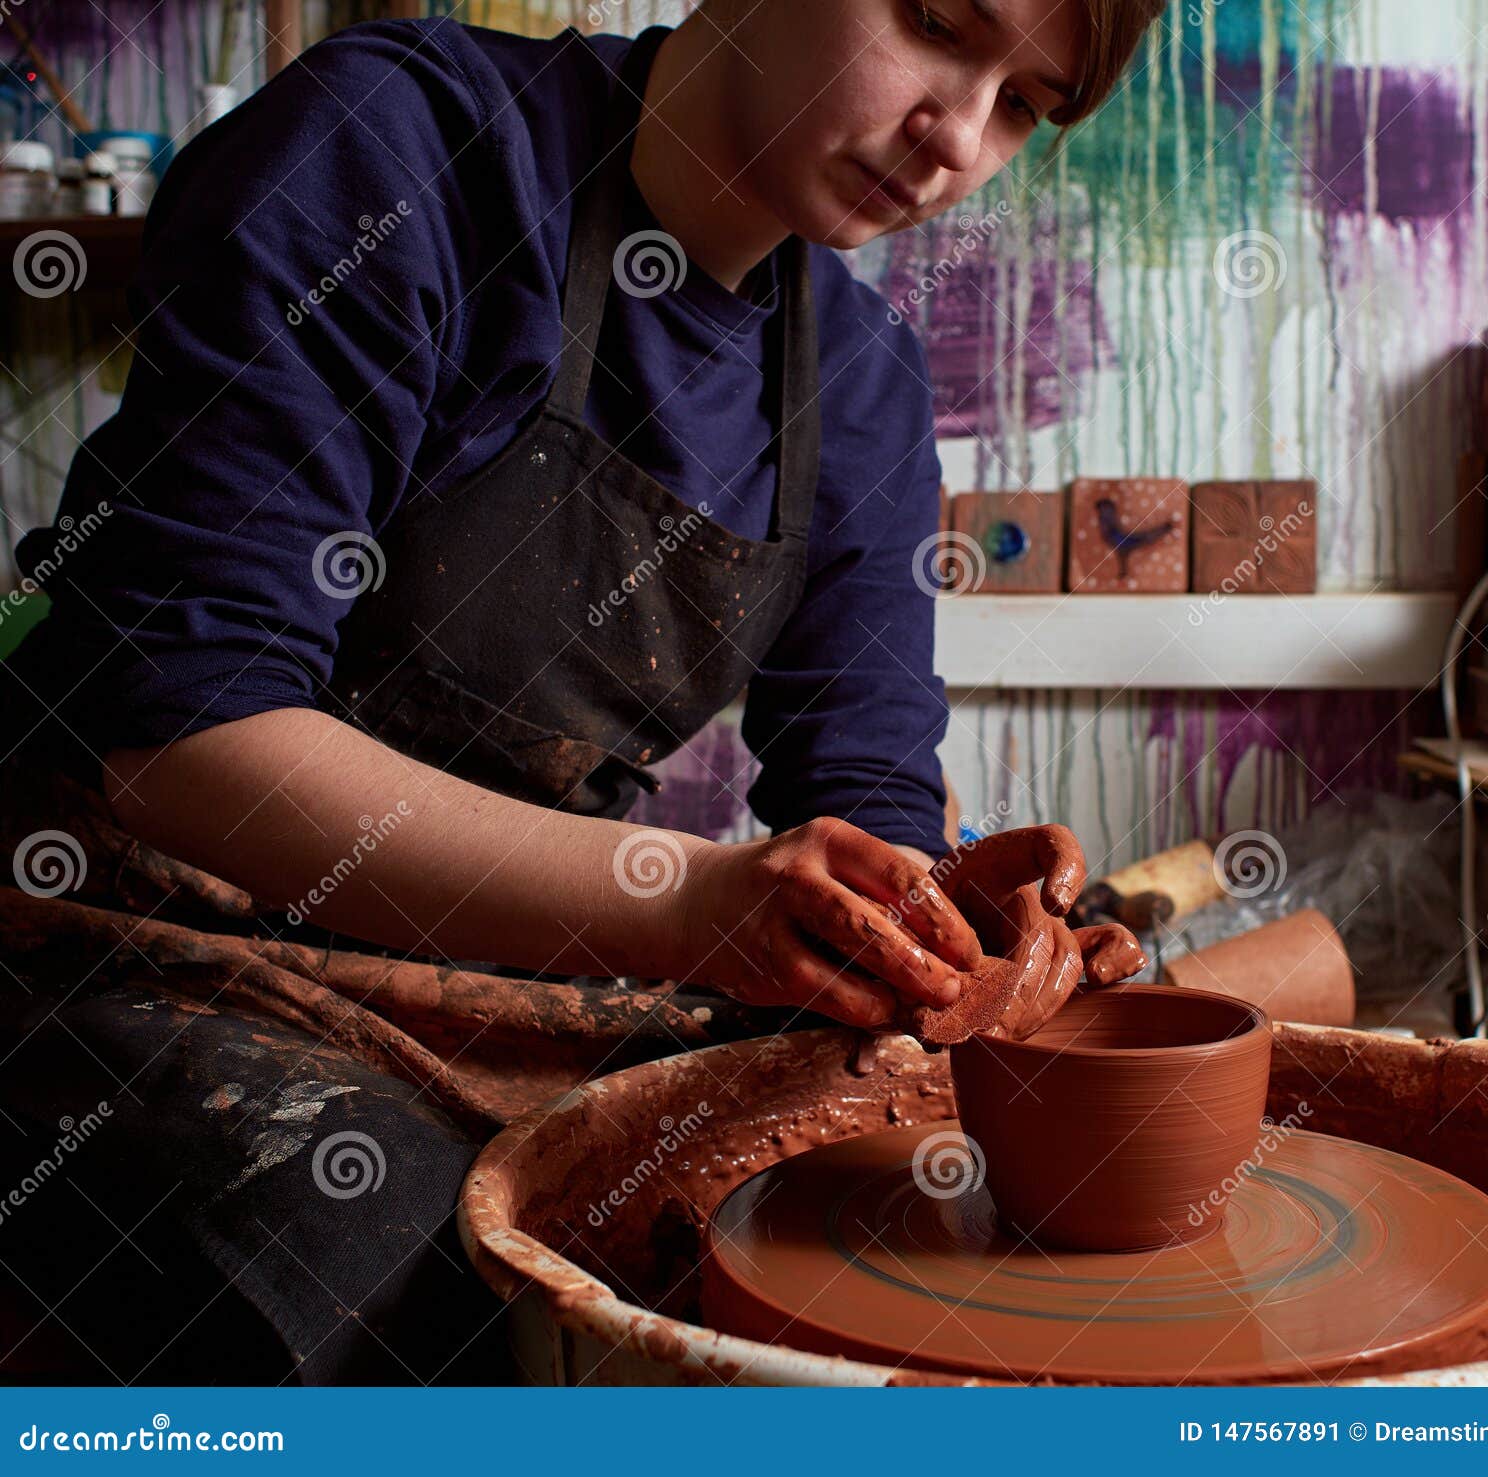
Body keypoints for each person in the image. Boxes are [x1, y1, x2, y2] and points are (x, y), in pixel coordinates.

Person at [0, 1, 1163, 1384]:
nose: (959, 139)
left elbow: (865, 791)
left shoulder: (858, 386)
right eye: (935, 24)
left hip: (503, 980)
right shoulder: (402, 155)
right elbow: (180, 733)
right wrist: (693, 901)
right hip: (116, 929)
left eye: (1026, 103)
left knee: (841, 1181)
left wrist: (948, 924)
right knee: (419, 1264)